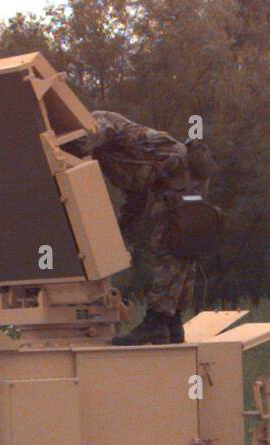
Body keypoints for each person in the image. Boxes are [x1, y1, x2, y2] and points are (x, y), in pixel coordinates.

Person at [68, 111, 215, 345]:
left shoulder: (100, 121)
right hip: (178, 181)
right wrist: (122, 228)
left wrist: (61, 145)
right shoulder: (114, 155)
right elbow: (135, 194)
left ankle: (156, 324)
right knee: (182, 252)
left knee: (171, 250)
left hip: (178, 179)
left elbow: (93, 135)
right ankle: (171, 322)